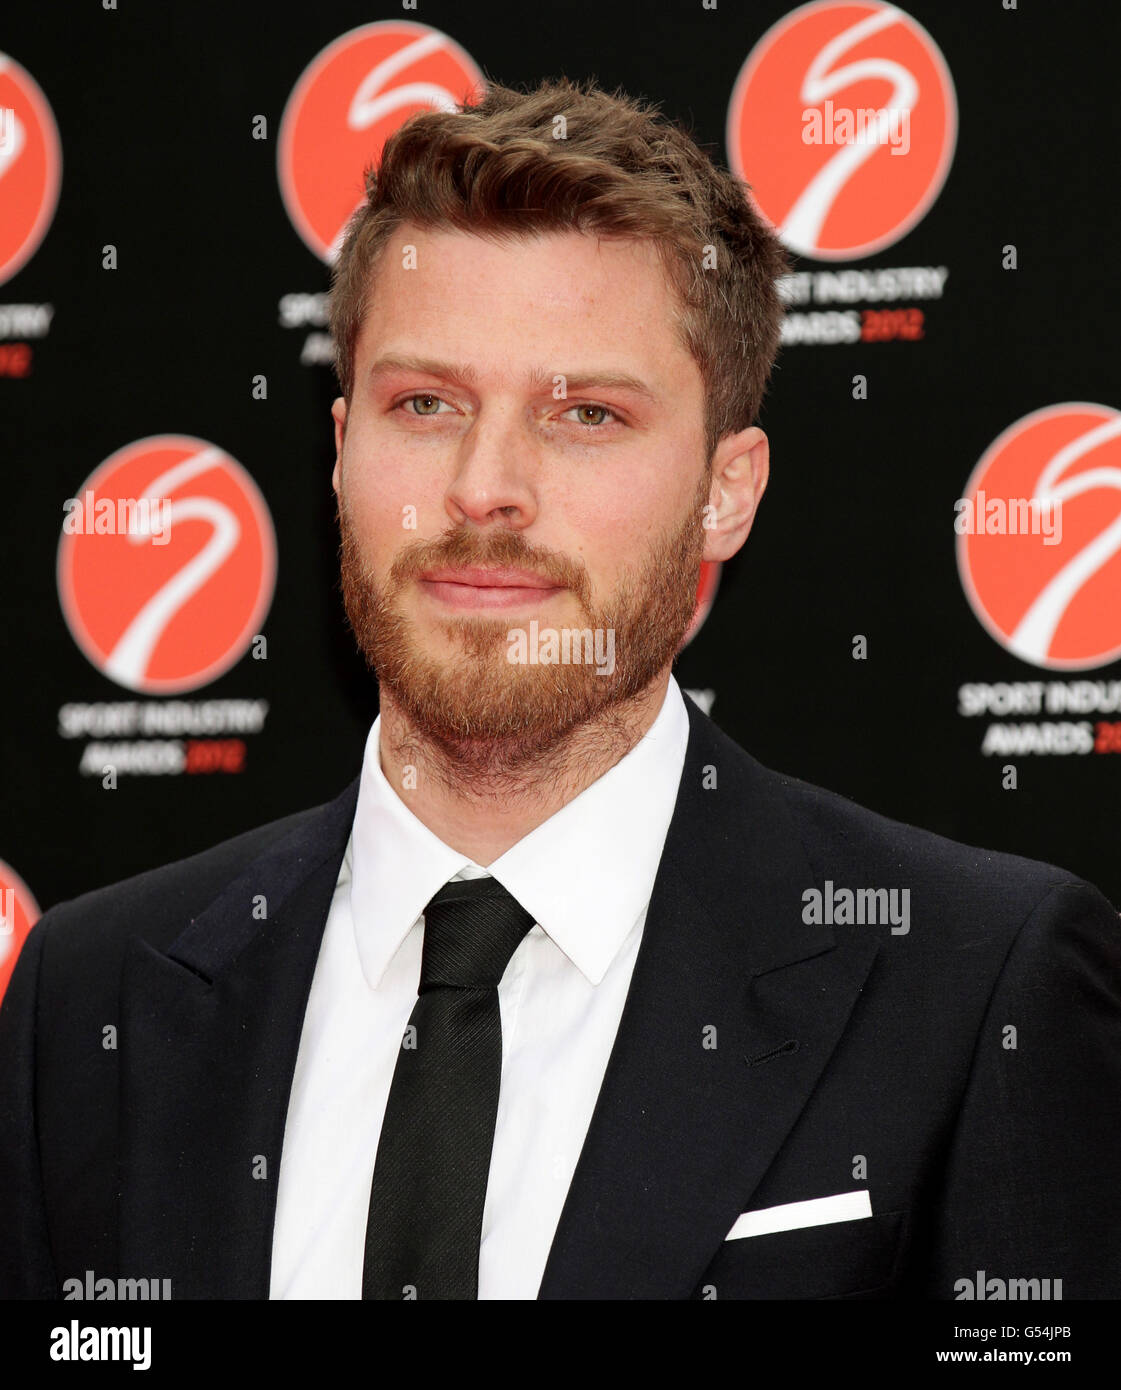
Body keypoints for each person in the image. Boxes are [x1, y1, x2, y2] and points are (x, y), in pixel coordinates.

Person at [2, 75, 1119, 1302]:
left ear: (726, 489)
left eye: (584, 414)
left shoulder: (970, 985)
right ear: (337, 451)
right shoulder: (91, 995)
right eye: (424, 404)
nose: (485, 488)